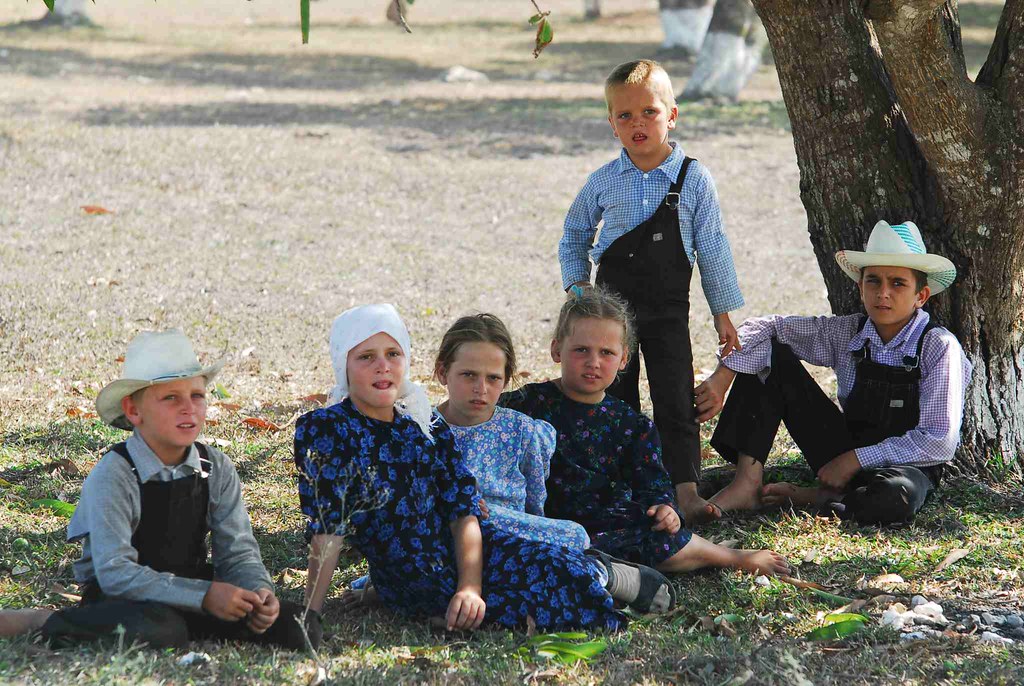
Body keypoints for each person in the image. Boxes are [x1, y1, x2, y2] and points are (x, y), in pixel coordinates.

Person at [295, 304, 675, 634]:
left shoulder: (424, 425)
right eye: (366, 357)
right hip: (410, 580)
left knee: (552, 571)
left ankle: (598, 572)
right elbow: (328, 528)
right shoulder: (327, 430)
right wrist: (311, 612)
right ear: (343, 362)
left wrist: (470, 587)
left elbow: (464, 511)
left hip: (471, 554)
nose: (383, 367)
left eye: (393, 354)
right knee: (540, 604)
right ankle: (591, 576)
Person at [0, 330, 313, 650]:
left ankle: (197, 621)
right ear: (134, 411)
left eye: (197, 395)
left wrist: (259, 594)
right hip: (122, 597)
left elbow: (238, 552)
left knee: (299, 626)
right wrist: (204, 596)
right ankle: (44, 620)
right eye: (170, 398)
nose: (188, 408)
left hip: (192, 589)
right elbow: (115, 574)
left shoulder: (215, 467)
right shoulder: (115, 473)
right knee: (161, 631)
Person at [559, 58, 744, 524]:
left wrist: (723, 313)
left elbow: (713, 248)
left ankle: (683, 488)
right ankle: (619, 486)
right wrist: (577, 286)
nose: (638, 124)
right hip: (609, 317)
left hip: (667, 314)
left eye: (649, 113)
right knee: (613, 397)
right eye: (625, 116)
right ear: (611, 124)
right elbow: (574, 235)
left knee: (675, 398)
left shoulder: (693, 179)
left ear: (672, 115)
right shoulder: (603, 181)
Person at [697, 220, 972, 525]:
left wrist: (855, 460)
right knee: (770, 353)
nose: (883, 293)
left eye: (897, 283)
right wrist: (722, 376)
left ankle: (817, 497)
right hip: (843, 449)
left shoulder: (939, 346)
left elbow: (939, 441)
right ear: (860, 287)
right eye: (873, 281)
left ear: (921, 296)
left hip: (907, 467)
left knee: (898, 495)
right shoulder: (845, 332)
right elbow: (766, 328)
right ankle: (746, 483)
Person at [501, 288, 790, 578]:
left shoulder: (632, 426)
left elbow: (653, 485)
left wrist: (665, 509)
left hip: (613, 527)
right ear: (556, 350)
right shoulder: (526, 404)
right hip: (545, 524)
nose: (594, 362)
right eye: (581, 350)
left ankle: (728, 556)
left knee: (661, 538)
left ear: (624, 359)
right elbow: (466, 417)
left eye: (607, 353)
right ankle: (610, 571)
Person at [433, 313, 590, 551]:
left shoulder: (521, 429)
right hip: (446, 534)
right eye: (469, 375)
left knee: (575, 535)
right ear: (443, 372)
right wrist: (459, 503)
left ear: (506, 380)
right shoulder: (422, 429)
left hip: (509, 535)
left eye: (493, 378)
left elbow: (535, 504)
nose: (481, 389)